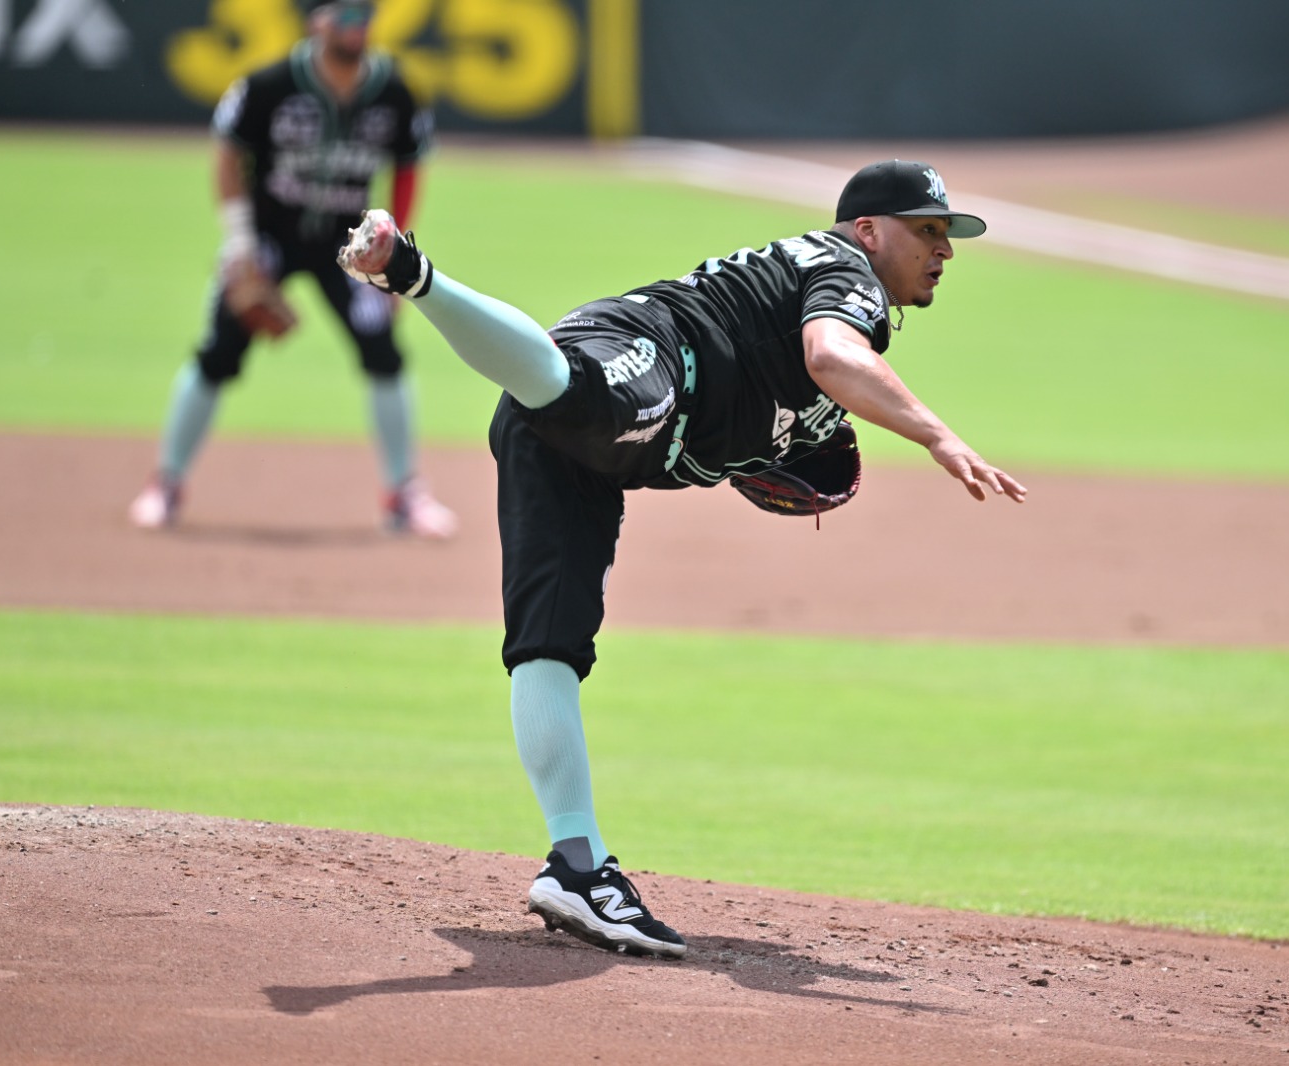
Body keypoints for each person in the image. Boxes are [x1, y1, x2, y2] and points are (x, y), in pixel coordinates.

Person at [338, 159, 1028, 958]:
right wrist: (938, 434)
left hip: (577, 451)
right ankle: (412, 271)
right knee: (572, 390)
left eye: (948, 234)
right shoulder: (847, 271)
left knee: (548, 648)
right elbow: (832, 357)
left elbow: (785, 414)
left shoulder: (796, 396)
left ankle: (577, 867)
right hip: (644, 354)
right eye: (928, 231)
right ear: (870, 231)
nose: (943, 249)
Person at [128, 0, 455, 537]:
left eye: (365, 16)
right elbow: (229, 156)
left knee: (384, 353)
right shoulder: (270, 85)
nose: (357, 27)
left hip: (347, 245)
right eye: (344, 16)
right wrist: (238, 246)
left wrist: (394, 257)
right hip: (267, 240)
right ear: (317, 22)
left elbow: (408, 167)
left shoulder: (394, 92)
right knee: (218, 352)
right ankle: (164, 485)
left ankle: (405, 495)